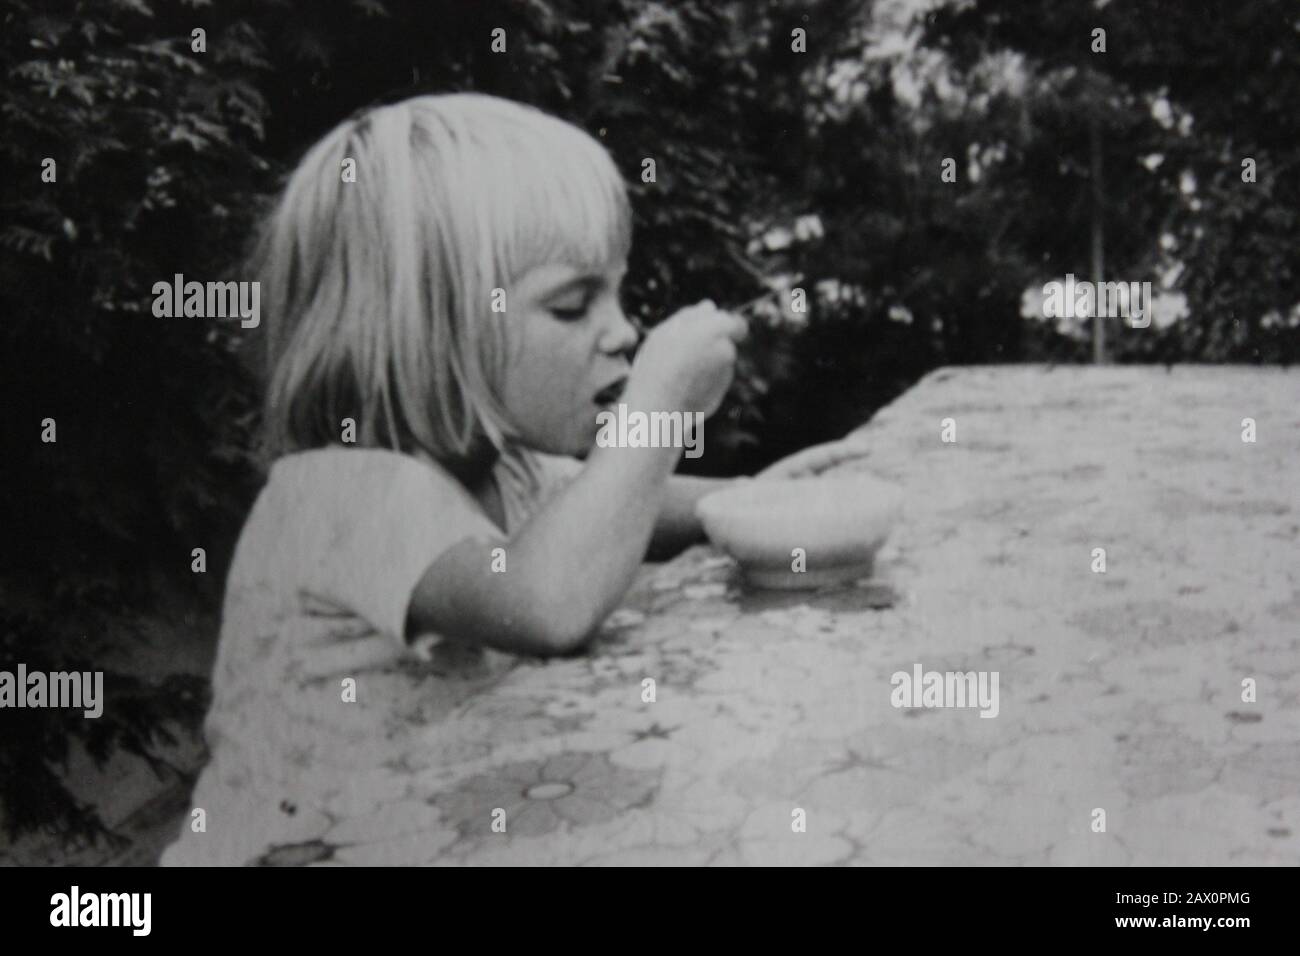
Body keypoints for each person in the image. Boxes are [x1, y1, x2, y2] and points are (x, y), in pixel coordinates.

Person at [160, 93, 864, 865]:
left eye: (618, 294)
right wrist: (657, 406)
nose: (625, 330)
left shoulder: (511, 472)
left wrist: (758, 499)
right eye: (571, 306)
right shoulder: (339, 496)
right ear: (427, 331)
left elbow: (637, 507)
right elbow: (547, 604)